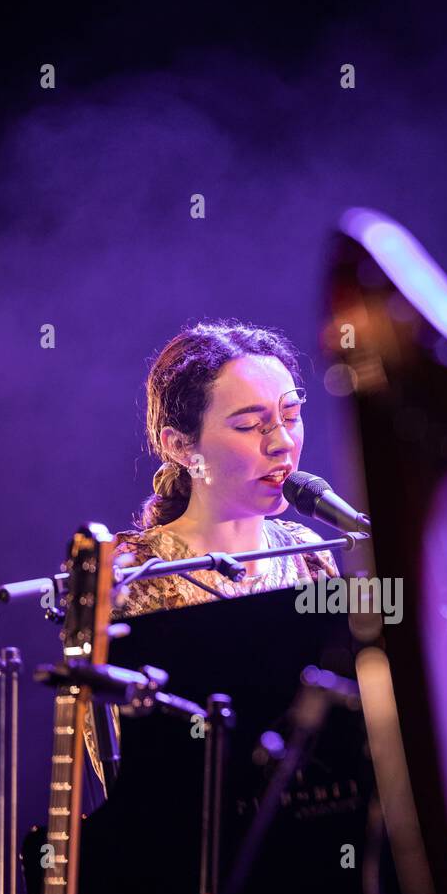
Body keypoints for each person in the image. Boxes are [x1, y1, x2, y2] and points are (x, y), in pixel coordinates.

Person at [83, 318, 340, 789]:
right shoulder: (130, 573)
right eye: (249, 425)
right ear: (180, 446)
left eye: (290, 415)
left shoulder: (310, 554)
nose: (282, 442)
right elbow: (122, 765)